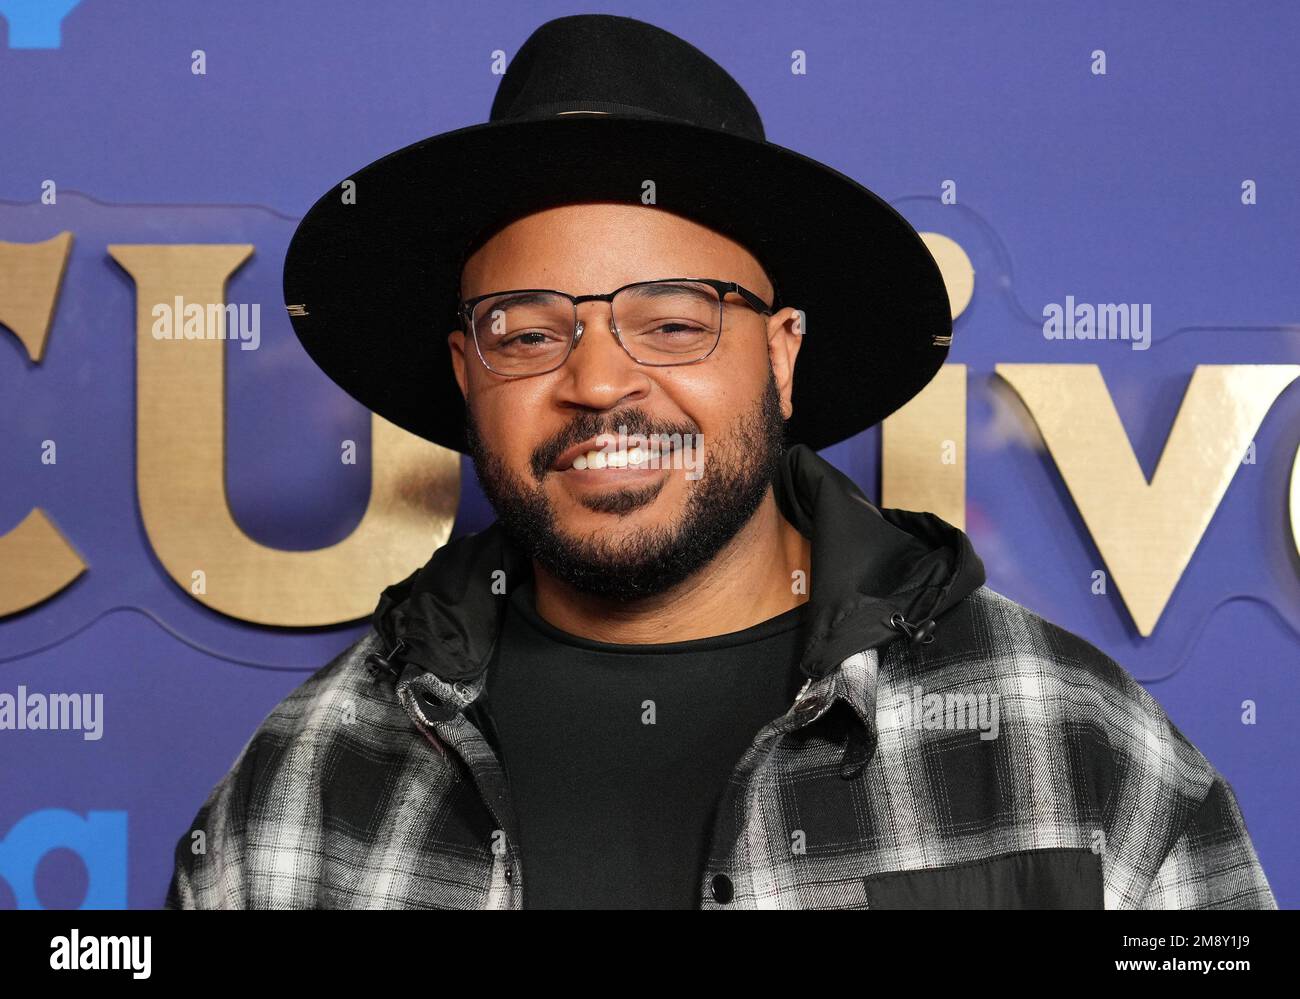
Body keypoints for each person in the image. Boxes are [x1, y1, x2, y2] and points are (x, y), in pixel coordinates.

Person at [165, 13, 1275, 909]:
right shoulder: (305, 786)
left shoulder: (1072, 747)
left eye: (674, 319)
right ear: (466, 376)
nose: (598, 381)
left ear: (781, 359)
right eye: (527, 330)